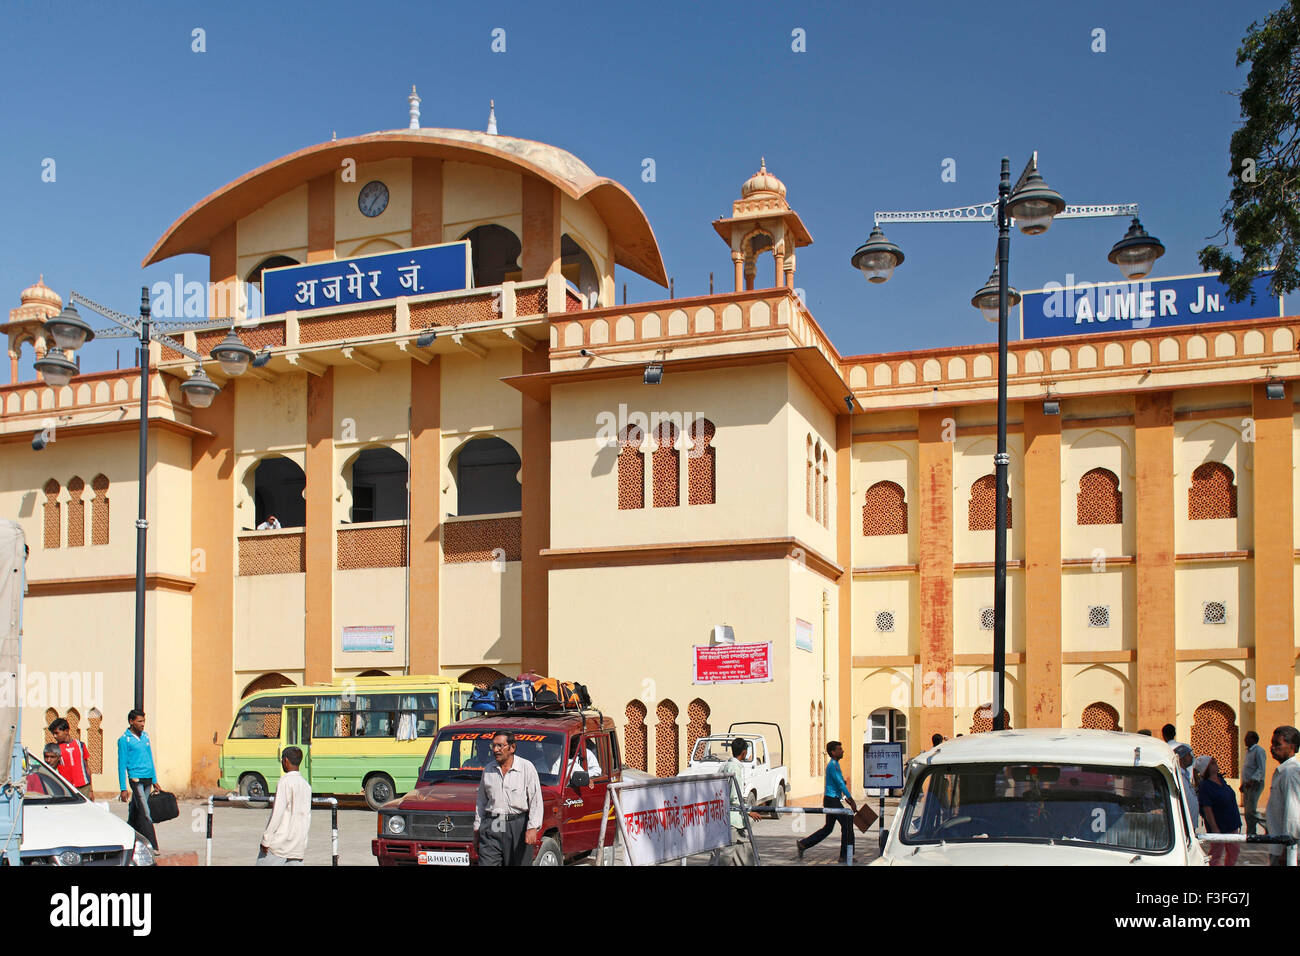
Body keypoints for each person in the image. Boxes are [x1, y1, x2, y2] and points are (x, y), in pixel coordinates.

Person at [474, 731, 543, 865]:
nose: (495, 750)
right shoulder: (488, 770)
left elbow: (535, 800)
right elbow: (481, 802)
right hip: (494, 822)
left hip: (517, 825)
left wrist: (532, 827)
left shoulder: (526, 768)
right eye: (493, 746)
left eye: (500, 746)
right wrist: (477, 828)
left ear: (512, 748)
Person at [796, 740, 857, 863]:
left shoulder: (835, 764)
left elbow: (838, 784)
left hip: (832, 799)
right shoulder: (833, 766)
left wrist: (846, 798)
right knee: (847, 824)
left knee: (828, 828)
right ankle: (844, 855)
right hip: (831, 800)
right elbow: (840, 784)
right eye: (839, 749)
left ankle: (803, 844)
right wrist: (851, 800)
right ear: (833, 752)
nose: (842, 751)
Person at [257, 747, 312, 865]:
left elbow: (277, 814)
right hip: (297, 845)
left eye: (282, 759)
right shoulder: (306, 785)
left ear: (285, 760)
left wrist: (266, 839)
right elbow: (306, 817)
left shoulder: (285, 782)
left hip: (279, 845)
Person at [711, 738, 762, 865]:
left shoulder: (725, 765)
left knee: (746, 856)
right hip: (732, 821)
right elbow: (735, 797)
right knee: (724, 857)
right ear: (744, 753)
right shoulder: (734, 768)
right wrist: (749, 812)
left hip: (734, 822)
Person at [117, 709, 160, 850]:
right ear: (131, 722)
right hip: (136, 779)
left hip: (148, 778)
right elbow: (121, 764)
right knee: (146, 813)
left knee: (137, 811)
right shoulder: (124, 740)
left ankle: (128, 836)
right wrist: (123, 788)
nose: (142, 724)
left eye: (144, 721)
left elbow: (150, 758)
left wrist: (154, 780)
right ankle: (153, 846)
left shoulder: (145, 737)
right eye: (139, 721)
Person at [1195, 754, 1241, 866]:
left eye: (1214, 761)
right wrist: (1214, 828)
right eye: (1212, 763)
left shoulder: (1221, 780)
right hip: (1219, 826)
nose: (1215, 763)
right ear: (1206, 768)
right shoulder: (1205, 786)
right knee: (1216, 853)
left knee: (1234, 851)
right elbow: (1207, 808)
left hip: (1232, 823)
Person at [1265, 726, 1300, 866]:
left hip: (1287, 850)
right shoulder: (1283, 771)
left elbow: (1294, 815)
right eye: (1272, 744)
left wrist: (1287, 850)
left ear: (1291, 747)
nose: (1272, 748)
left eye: (1277, 744)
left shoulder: (1290, 773)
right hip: (1278, 846)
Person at [48, 718, 93, 799]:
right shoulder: (56, 749)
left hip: (84, 787)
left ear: (66, 731)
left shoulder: (80, 745)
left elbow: (87, 768)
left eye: (57, 733)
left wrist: (91, 790)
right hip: (67, 788)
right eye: (53, 734)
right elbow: (51, 769)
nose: (55, 736)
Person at [1240, 730, 1267, 836]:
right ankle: (1251, 832)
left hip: (1255, 784)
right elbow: (1247, 769)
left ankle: (1267, 825)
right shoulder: (1248, 751)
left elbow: (1261, 768)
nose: (1245, 740)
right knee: (1247, 811)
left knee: (1251, 810)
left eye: (1248, 738)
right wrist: (1243, 783)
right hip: (1247, 784)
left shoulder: (1259, 750)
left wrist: (1252, 780)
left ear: (1254, 739)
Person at [1172, 744, 1199, 834]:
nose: (1191, 758)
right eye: (1188, 755)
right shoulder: (1178, 776)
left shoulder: (1185, 775)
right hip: (1184, 823)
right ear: (1181, 757)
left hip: (1190, 823)